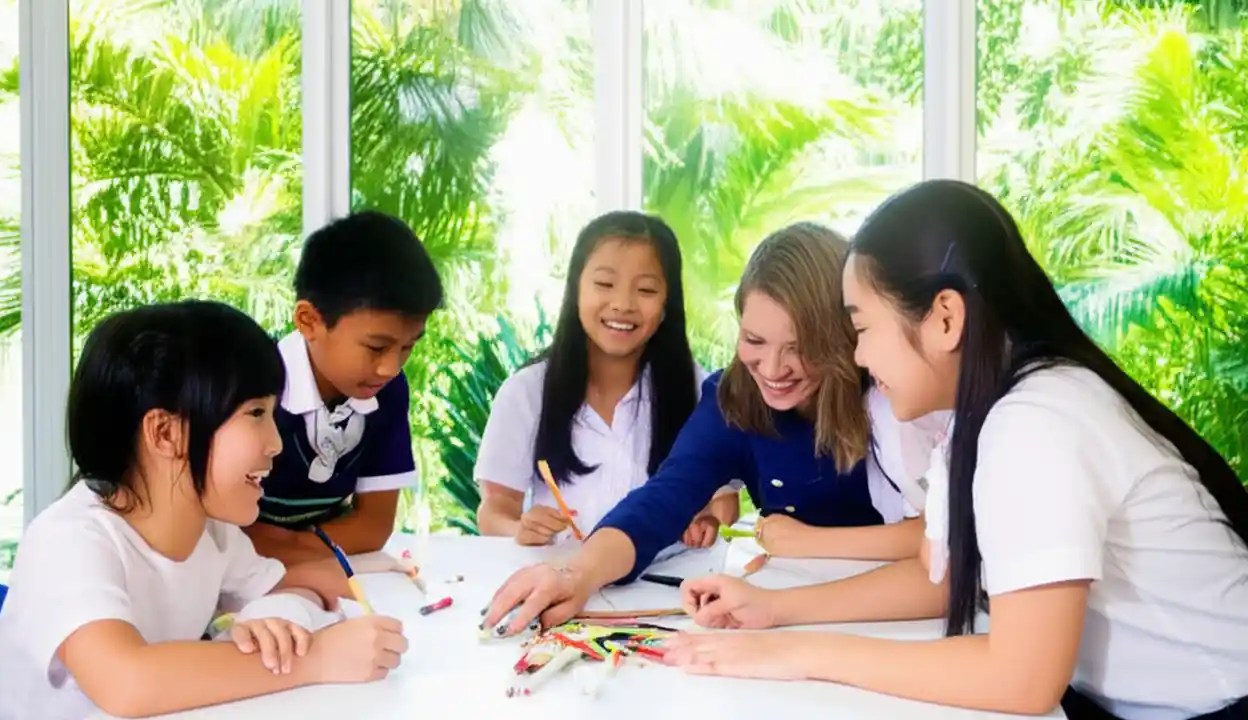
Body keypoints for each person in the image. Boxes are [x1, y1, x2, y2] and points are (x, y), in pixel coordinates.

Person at [663, 180, 1248, 720]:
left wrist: (794, 654)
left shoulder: (1037, 421)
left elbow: (1022, 679)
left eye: (861, 328)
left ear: (944, 318)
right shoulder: (984, 416)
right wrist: (775, 609)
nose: (858, 356)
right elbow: (937, 576)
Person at [483, 222, 933, 635]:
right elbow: (664, 498)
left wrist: (808, 542)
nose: (772, 369)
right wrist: (576, 574)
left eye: (800, 348)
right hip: (791, 612)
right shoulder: (732, 399)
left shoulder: (889, 393)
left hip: (906, 609)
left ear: (841, 335)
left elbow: (943, 540)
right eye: (754, 341)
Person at [0, 302, 407, 720]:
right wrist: (314, 659)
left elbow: (292, 589)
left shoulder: (214, 533)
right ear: (166, 433)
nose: (276, 443)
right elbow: (127, 681)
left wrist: (272, 622)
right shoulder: (70, 540)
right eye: (256, 413)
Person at [474, 211, 738, 548]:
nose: (622, 304)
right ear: (576, 289)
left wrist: (709, 516)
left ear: (667, 303)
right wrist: (520, 530)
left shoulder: (699, 390)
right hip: (559, 576)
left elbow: (724, 497)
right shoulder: (527, 392)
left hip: (670, 578)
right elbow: (494, 510)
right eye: (604, 284)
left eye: (645, 289)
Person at [246, 211, 442, 565]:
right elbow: (221, 533)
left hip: (312, 568)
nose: (391, 368)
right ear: (309, 321)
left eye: (408, 346)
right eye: (376, 347)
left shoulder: (388, 391)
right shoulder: (249, 384)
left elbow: (373, 527)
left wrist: (283, 544)